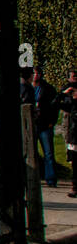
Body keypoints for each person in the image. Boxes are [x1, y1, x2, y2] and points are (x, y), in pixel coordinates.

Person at [32, 66, 60, 187]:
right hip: (32, 124)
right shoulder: (26, 88)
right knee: (31, 153)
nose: (36, 76)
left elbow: (55, 106)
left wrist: (51, 122)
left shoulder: (48, 89)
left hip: (44, 124)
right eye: (34, 74)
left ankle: (51, 179)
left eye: (38, 73)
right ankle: (32, 178)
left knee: (48, 153)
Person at [60, 70, 77, 198]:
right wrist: (62, 95)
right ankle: (75, 188)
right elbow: (55, 104)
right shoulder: (71, 105)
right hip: (73, 136)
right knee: (74, 162)